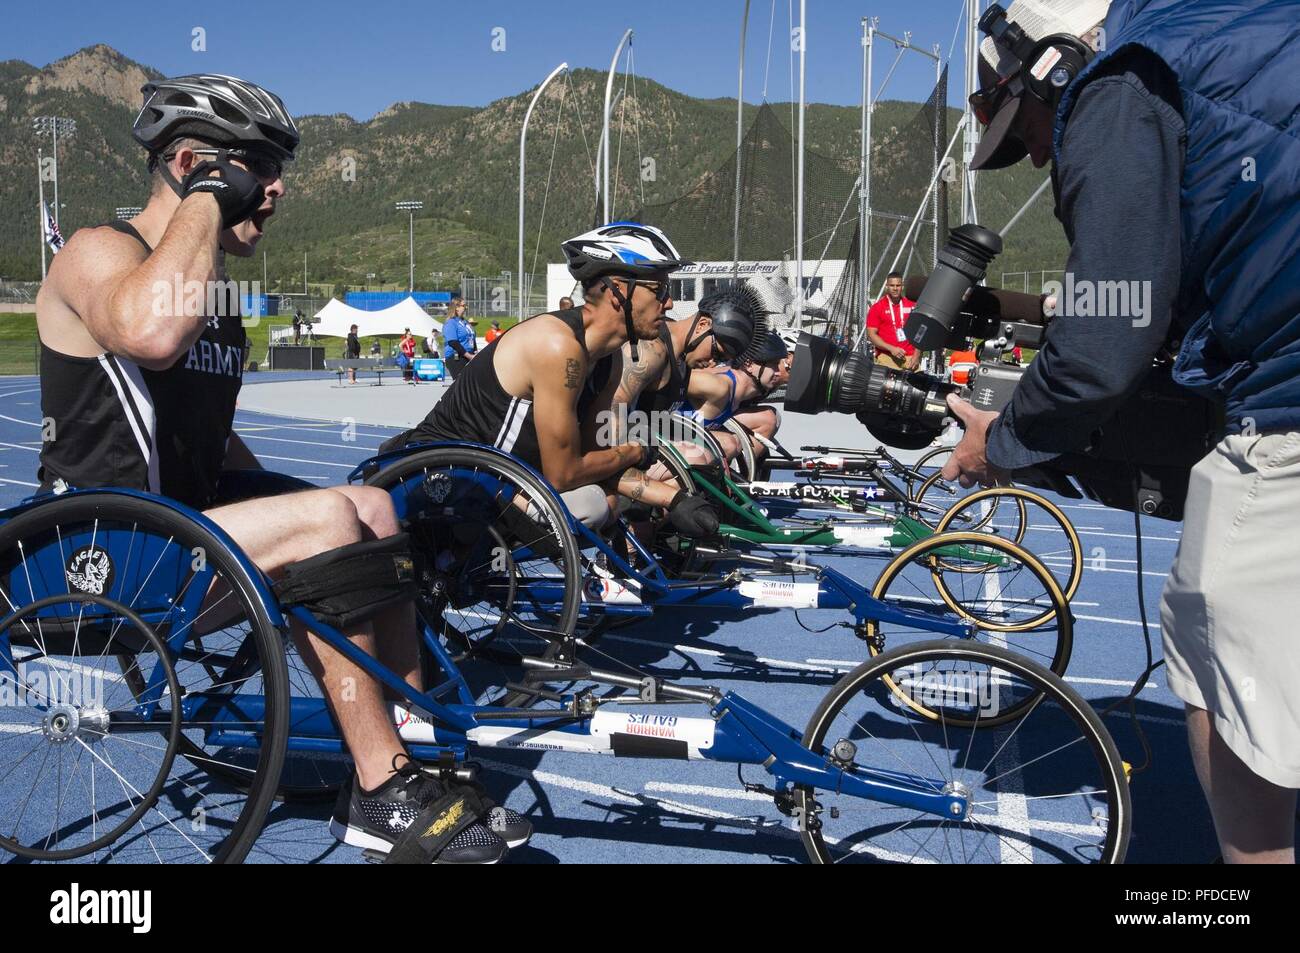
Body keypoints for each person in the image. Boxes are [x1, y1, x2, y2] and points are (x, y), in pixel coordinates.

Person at [33, 72, 524, 864]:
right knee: (329, 522)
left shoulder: (210, 289)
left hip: (178, 540)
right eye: (257, 167)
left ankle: (411, 747)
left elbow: (216, 446)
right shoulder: (98, 252)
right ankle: (380, 790)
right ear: (191, 163)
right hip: (88, 554)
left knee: (367, 505)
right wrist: (202, 200)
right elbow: (152, 335)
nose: (276, 188)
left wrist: (332, 517)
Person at [940, 0, 1299, 863]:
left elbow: (1107, 339)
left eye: (1023, 124)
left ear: (1055, 63)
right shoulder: (1225, 29)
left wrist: (1003, 440)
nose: (1032, 153)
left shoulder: (1118, 84)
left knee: (1223, 667)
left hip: (1286, 405)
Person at [385, 222, 714, 536]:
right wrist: (634, 452)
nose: (669, 302)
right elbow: (565, 474)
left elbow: (595, 460)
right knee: (592, 504)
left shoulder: (608, 359)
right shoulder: (558, 346)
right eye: (659, 289)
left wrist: (675, 499)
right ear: (617, 292)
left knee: (607, 499)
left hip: (494, 480)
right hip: (437, 478)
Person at [608, 285, 769, 505]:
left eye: (722, 360)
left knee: (709, 459)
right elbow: (610, 414)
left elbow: (657, 420)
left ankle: (657, 526)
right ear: (703, 325)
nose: (714, 363)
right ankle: (639, 525)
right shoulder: (651, 351)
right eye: (716, 353)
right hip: (613, 456)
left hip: (642, 447)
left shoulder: (681, 360)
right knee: (695, 459)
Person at [865, 272, 919, 370]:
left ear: (902, 286)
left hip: (911, 358)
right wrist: (891, 348)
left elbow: (920, 331)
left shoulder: (912, 306)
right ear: (887, 286)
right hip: (887, 357)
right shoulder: (877, 308)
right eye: (892, 285)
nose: (895, 288)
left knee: (915, 385)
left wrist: (917, 354)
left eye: (898, 285)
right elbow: (871, 335)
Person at [441, 298, 477, 379]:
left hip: (469, 356)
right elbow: (453, 342)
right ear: (456, 307)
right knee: (462, 384)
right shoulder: (451, 322)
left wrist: (475, 352)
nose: (466, 308)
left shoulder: (465, 322)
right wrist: (469, 356)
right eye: (464, 306)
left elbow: (472, 338)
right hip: (456, 358)